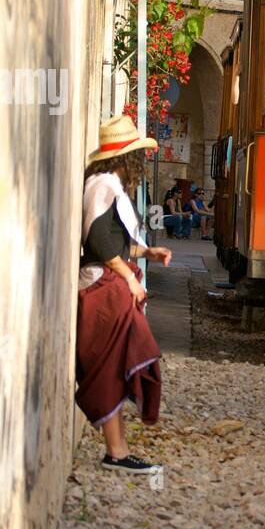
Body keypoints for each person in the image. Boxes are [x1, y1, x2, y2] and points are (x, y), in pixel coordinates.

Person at [75, 115, 174, 474]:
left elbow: (116, 243)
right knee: (115, 363)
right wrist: (130, 281)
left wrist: (148, 253)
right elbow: (101, 243)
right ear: (126, 158)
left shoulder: (106, 184)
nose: (141, 164)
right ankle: (116, 453)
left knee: (117, 365)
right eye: (138, 157)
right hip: (102, 288)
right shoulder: (104, 186)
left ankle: (117, 451)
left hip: (109, 284)